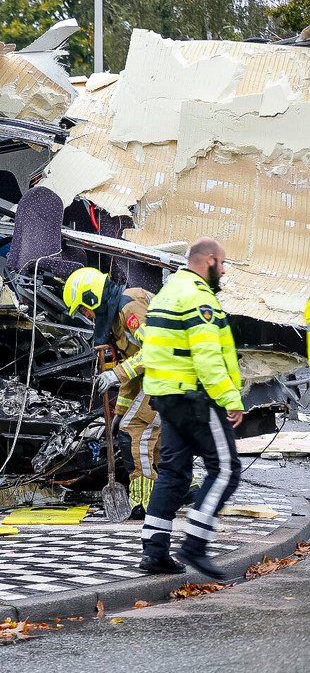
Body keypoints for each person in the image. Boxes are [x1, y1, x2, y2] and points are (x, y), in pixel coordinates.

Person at [137, 237, 244, 579]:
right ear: (209, 260)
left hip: (166, 398)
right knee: (225, 469)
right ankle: (195, 545)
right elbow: (208, 359)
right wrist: (230, 398)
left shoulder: (166, 293)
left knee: (173, 473)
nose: (224, 271)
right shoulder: (199, 298)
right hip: (195, 396)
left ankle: (154, 551)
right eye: (223, 264)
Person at [63, 266, 159, 518]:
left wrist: (113, 374)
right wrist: (120, 411)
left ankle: (145, 503)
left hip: (173, 375)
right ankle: (183, 490)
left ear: (94, 299)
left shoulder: (129, 308)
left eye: (85, 308)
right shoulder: (117, 317)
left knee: (134, 430)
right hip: (166, 376)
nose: (88, 315)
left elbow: (155, 352)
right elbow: (135, 375)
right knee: (156, 439)